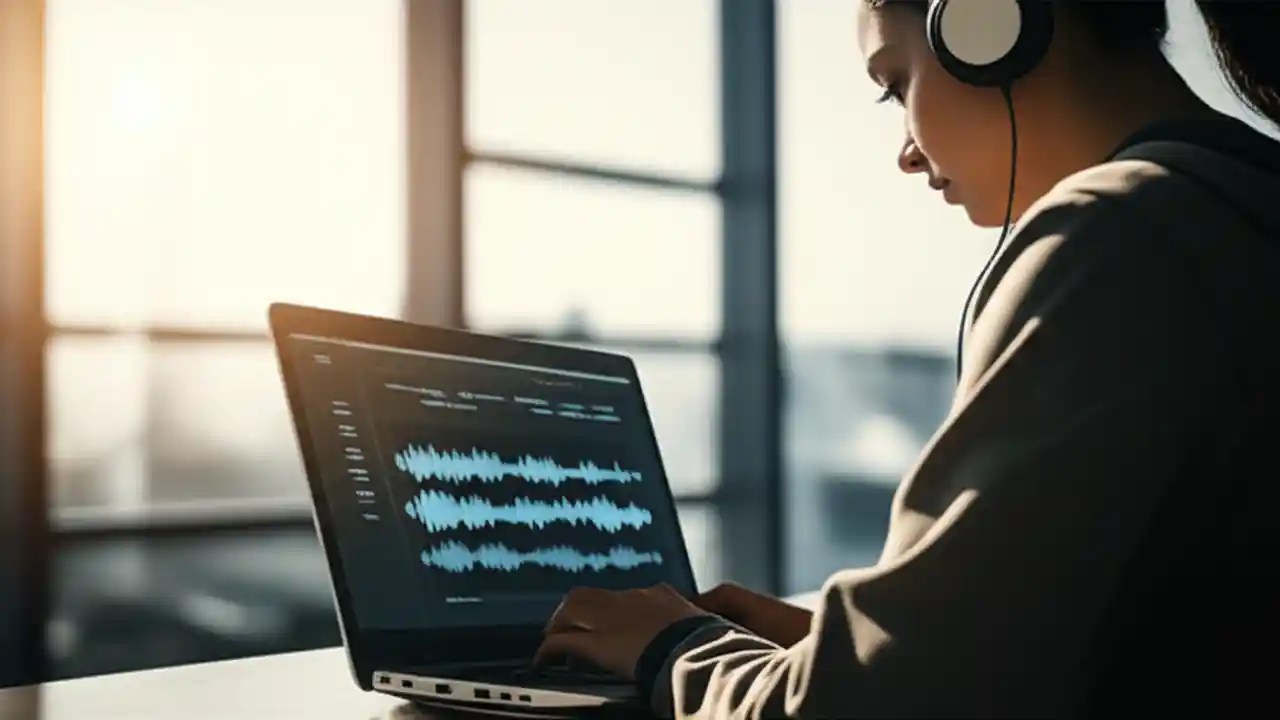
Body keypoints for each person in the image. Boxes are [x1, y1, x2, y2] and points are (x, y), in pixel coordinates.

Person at [536, 1, 1280, 716]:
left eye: (895, 85)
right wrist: (836, 649)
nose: (906, 152)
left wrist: (673, 647)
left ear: (988, 24)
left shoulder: (1115, 238)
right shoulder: (1238, 203)